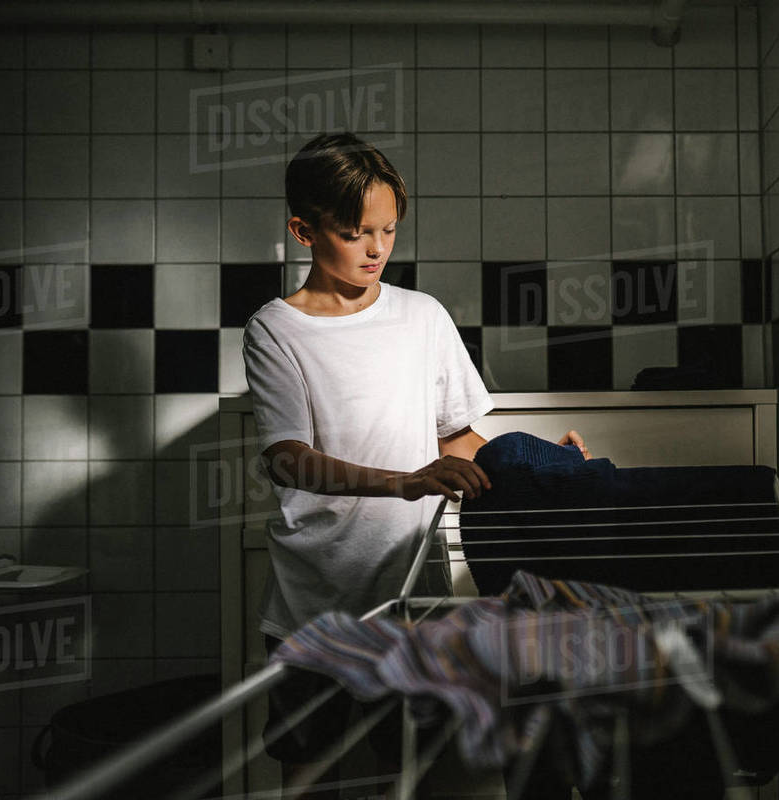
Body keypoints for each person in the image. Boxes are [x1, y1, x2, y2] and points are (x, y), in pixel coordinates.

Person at [242, 131, 588, 799]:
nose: (376, 249)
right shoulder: (276, 330)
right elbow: (289, 459)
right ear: (302, 230)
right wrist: (404, 482)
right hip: (315, 605)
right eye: (355, 232)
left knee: (412, 774)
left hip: (412, 601)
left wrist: (549, 468)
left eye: (388, 230)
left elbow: (459, 442)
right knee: (308, 773)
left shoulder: (422, 317)